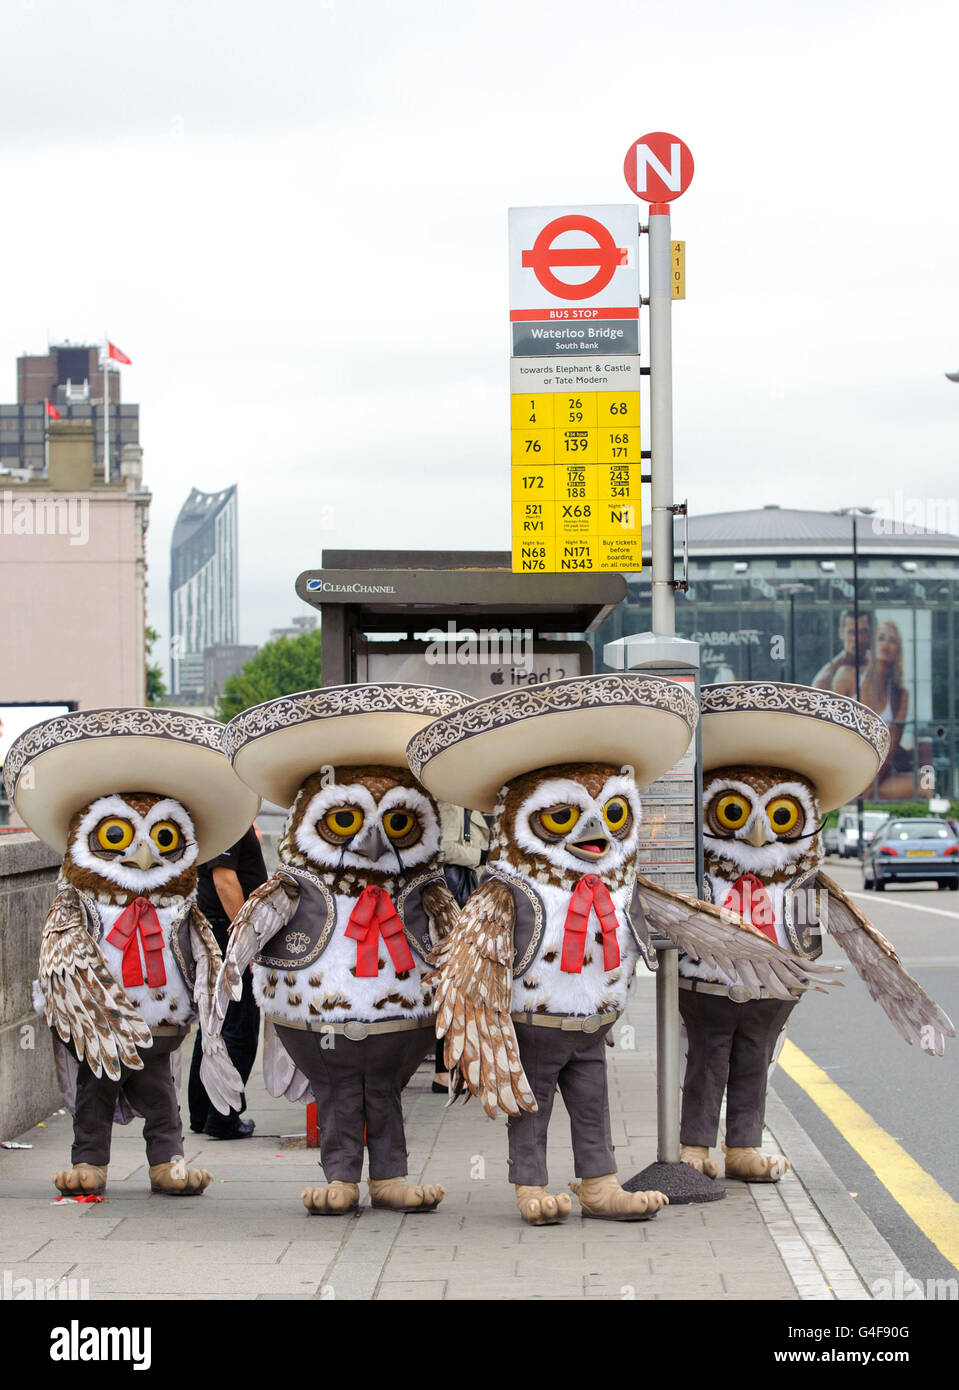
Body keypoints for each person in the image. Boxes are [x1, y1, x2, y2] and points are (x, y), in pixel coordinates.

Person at [188, 824, 268, 1138]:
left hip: (218, 930)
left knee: (213, 1025)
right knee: (239, 1028)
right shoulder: (229, 822)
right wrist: (244, 938)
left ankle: (203, 1113)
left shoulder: (226, 818)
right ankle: (223, 1116)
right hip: (227, 932)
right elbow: (224, 880)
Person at [859, 619, 914, 800]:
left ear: (897, 650)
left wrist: (867, 788)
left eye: (892, 640)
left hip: (880, 771)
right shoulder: (850, 678)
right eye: (881, 638)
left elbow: (890, 749)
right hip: (850, 762)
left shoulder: (900, 694)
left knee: (924, 783)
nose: (886, 644)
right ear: (872, 644)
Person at [812, 608, 873, 697]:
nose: (858, 638)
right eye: (851, 632)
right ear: (841, 633)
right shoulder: (825, 679)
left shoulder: (879, 663)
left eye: (863, 631)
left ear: (870, 633)